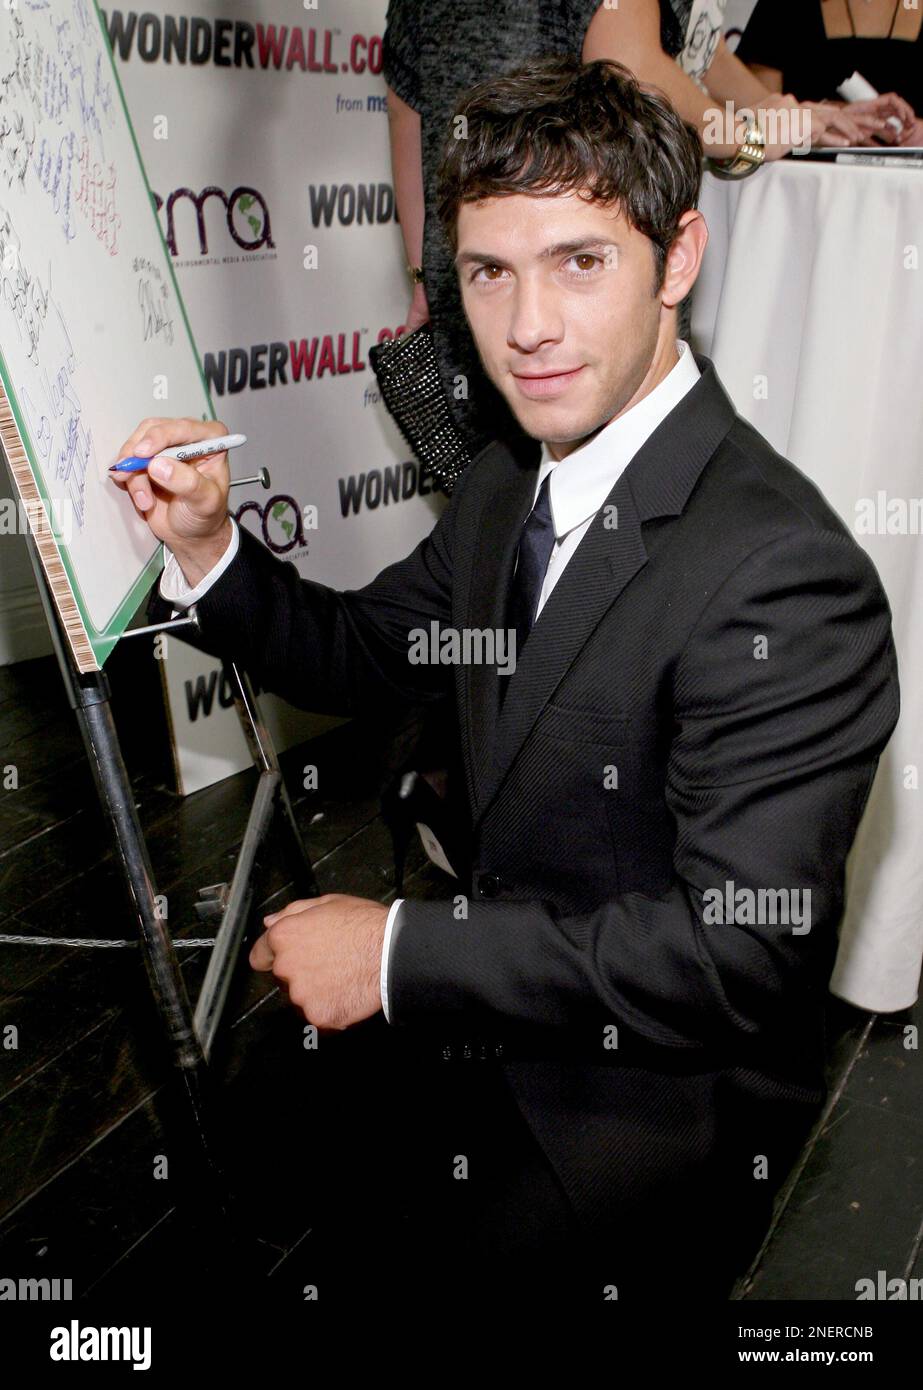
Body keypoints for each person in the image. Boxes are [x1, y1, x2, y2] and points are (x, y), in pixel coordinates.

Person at [113, 58, 899, 1303]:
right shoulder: (507, 476)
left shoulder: (780, 575)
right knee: (210, 1179)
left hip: (638, 1118)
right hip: (486, 1020)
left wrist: (396, 956)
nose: (525, 324)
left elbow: (729, 955)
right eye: (489, 272)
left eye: (579, 261)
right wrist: (210, 547)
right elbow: (368, 650)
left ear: (676, 260)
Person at [385, 0, 899, 459]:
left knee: (504, 502)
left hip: (475, 269)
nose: (530, 328)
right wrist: (746, 138)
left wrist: (433, 270)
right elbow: (625, 58)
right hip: (590, 237)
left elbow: (406, 106)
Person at [737, 0, 922, 138]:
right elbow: (758, 116)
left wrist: (913, 131)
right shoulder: (784, 6)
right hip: (804, 179)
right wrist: (821, 117)